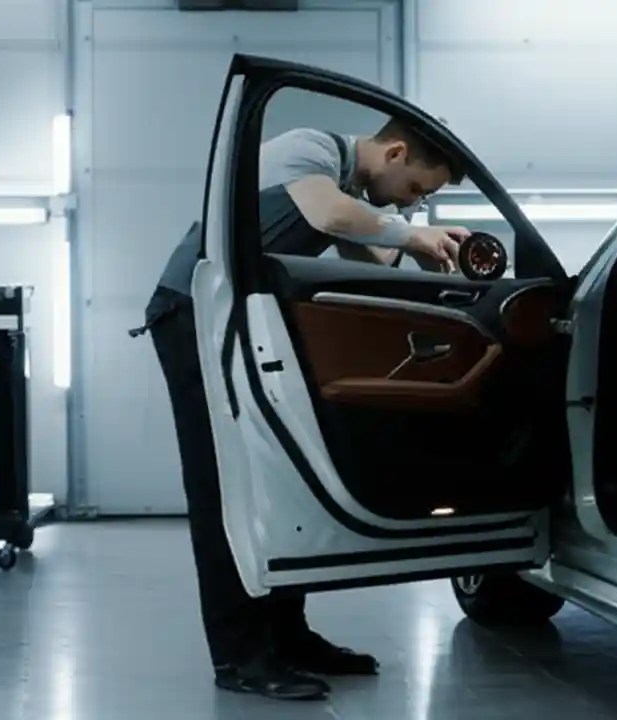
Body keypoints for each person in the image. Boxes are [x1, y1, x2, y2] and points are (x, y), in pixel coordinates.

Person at [134, 118, 470, 701]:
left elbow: (371, 260)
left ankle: (288, 637)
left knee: (277, 482)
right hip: (192, 313)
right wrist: (410, 234)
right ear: (394, 152)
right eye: (418, 190)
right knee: (225, 485)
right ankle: (240, 656)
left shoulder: (347, 191)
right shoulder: (309, 151)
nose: (414, 204)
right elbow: (329, 216)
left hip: (242, 324)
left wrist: (430, 251)